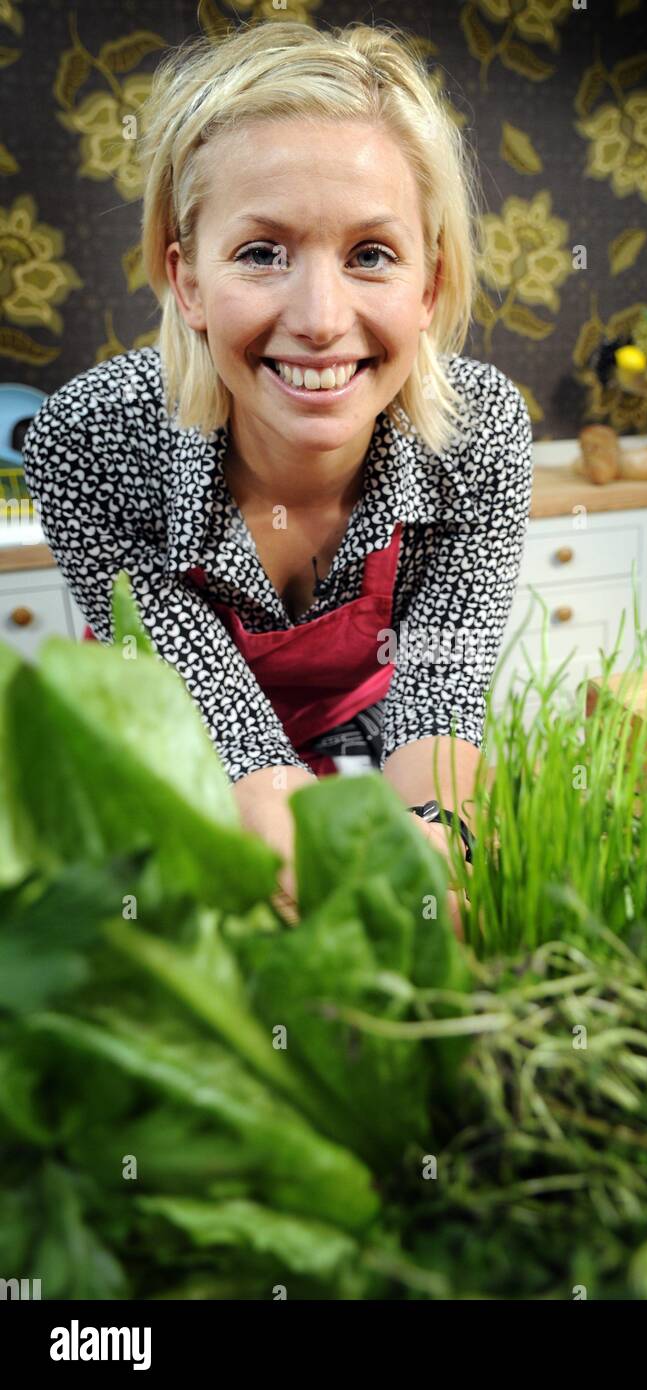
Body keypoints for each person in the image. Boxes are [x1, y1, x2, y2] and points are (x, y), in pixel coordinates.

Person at [21, 20, 533, 931]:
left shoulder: (481, 433)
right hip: (177, 747)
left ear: (427, 284)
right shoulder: (92, 440)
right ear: (186, 282)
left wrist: (434, 847)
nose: (321, 318)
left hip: (363, 733)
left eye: (371, 253)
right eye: (261, 252)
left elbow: (438, 700)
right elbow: (221, 733)